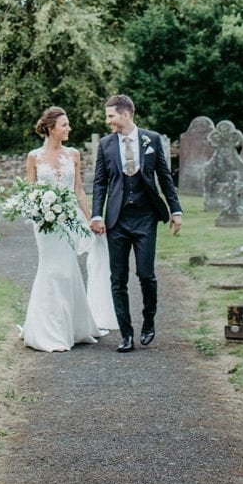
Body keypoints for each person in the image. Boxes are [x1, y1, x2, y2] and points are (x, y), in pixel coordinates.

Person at [90, 93, 182, 353]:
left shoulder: (151, 139)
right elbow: (100, 182)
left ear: (126, 114)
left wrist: (176, 210)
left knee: (146, 274)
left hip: (145, 218)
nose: (108, 121)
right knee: (117, 278)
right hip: (117, 219)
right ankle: (126, 334)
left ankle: (149, 320)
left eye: (111, 116)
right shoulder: (106, 144)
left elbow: (164, 176)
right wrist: (97, 215)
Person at [21, 106, 116, 351]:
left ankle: (72, 327)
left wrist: (92, 218)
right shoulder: (34, 157)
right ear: (51, 128)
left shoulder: (73, 155)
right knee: (51, 270)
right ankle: (47, 330)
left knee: (67, 270)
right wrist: (38, 210)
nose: (69, 128)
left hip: (69, 220)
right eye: (64, 125)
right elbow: (30, 192)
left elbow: (79, 190)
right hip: (45, 224)